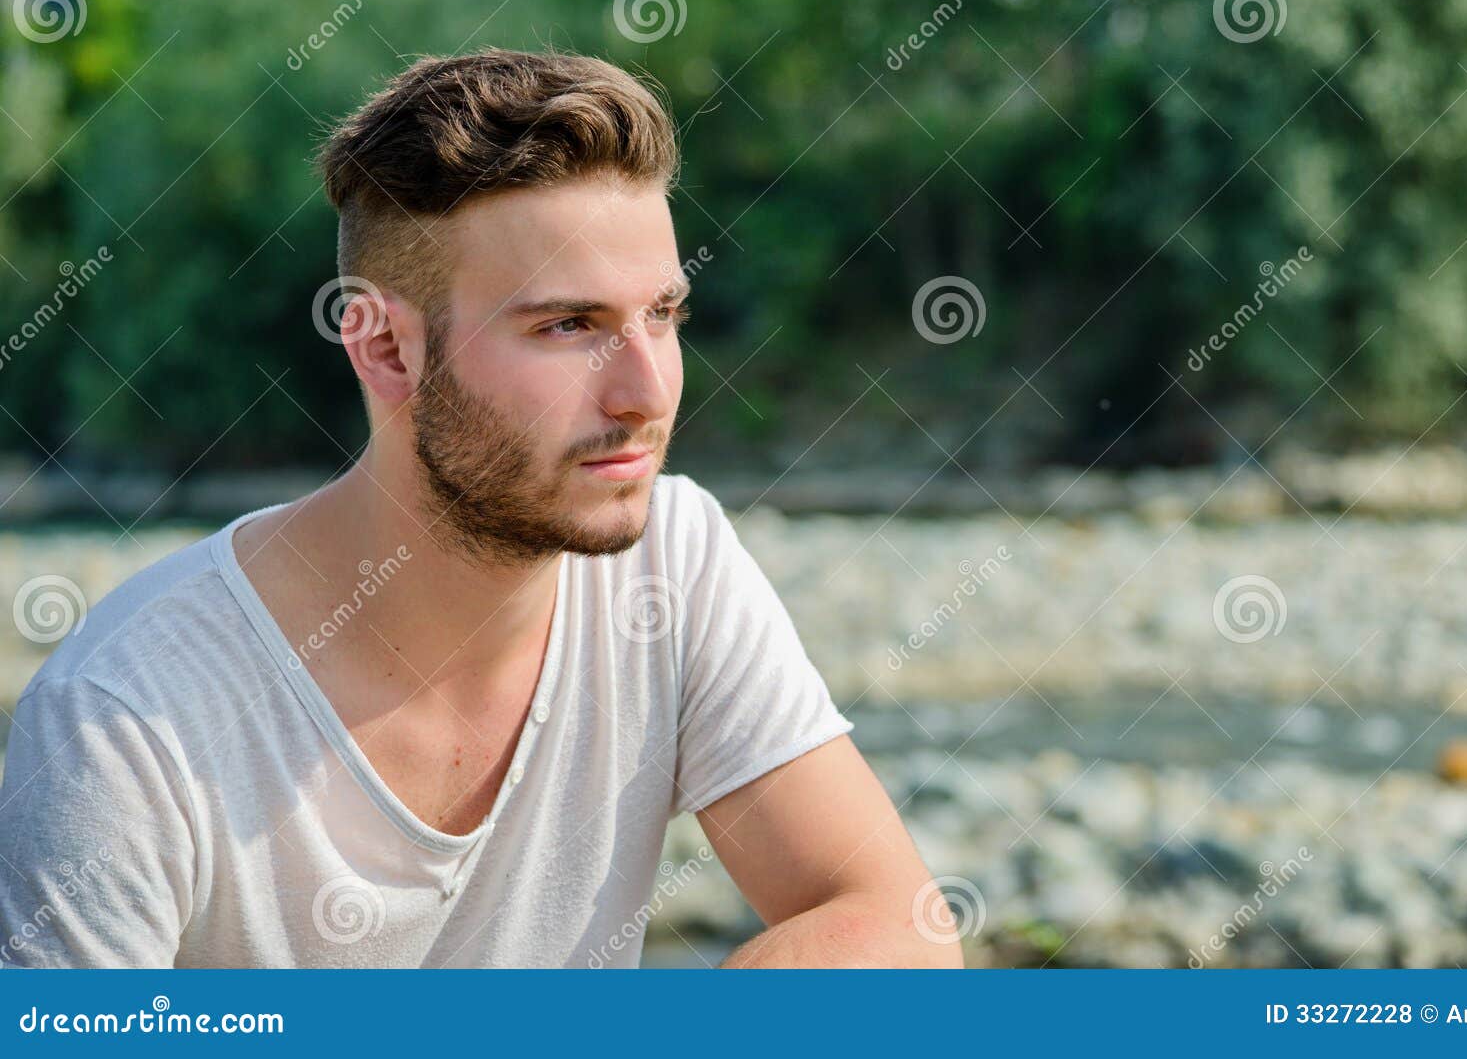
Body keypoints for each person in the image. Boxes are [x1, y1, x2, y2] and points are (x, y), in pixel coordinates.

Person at [0, 49, 958, 968]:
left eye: (662, 316)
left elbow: (892, 922)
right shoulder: (128, 719)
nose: (646, 391)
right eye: (569, 325)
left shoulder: (674, 561)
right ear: (384, 351)